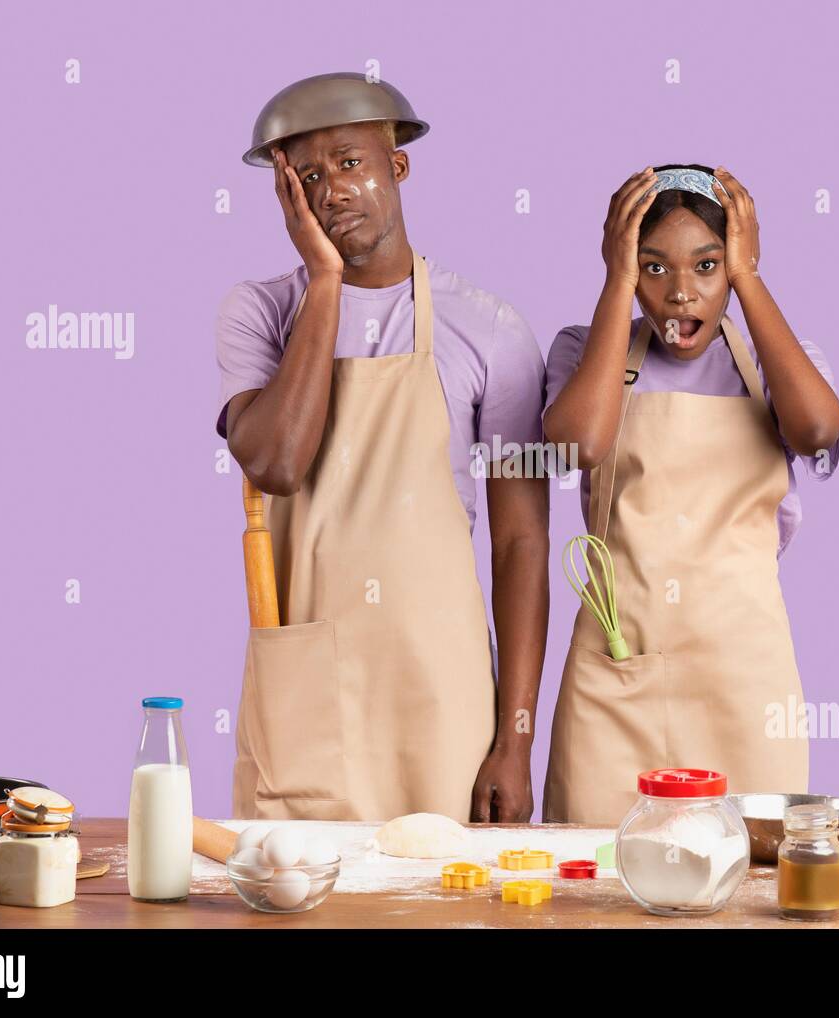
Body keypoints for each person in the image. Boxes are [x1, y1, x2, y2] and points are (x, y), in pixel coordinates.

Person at [217, 73, 548, 822]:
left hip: (442, 688)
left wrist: (517, 742)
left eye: (348, 162)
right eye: (305, 178)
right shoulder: (259, 313)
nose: (331, 190)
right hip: (306, 686)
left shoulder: (491, 328)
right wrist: (326, 284)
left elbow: (522, 542)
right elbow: (276, 462)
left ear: (397, 166)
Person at [542, 164, 839, 823]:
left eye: (707, 266)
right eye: (653, 268)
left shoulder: (775, 362)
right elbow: (576, 447)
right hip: (616, 668)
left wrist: (751, 280)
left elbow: (819, 429)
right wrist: (614, 284)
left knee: (753, 877)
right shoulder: (587, 352)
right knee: (597, 880)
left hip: (743, 679)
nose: (681, 293)